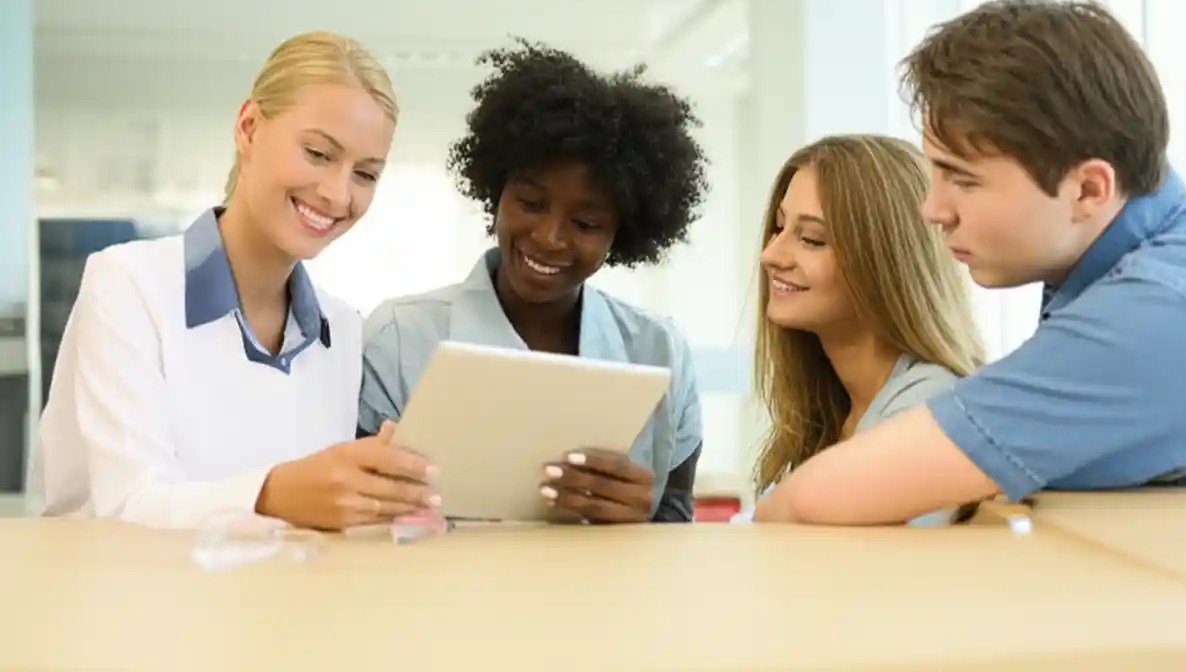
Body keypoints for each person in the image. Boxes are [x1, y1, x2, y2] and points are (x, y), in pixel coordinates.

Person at [755, 0, 1186, 525]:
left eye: (963, 179)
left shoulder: (1155, 319)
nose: (933, 211)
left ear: (1089, 190)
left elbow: (809, 501)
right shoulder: (1157, 265)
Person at [35, 31, 439, 531]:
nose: (338, 194)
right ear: (248, 128)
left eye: (366, 174)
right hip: (130, 601)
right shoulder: (127, 284)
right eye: (317, 153)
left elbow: (311, 527)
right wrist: (276, 493)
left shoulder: (342, 329)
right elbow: (127, 507)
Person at [359, 40, 710, 524]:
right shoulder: (398, 338)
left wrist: (640, 526)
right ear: (496, 192)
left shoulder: (659, 352)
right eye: (529, 203)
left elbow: (677, 526)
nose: (548, 238)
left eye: (585, 224)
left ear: (621, 234)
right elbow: (356, 526)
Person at [738, 135, 984, 525]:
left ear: (885, 263)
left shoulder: (929, 403)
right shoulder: (833, 406)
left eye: (811, 239)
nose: (771, 255)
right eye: (779, 227)